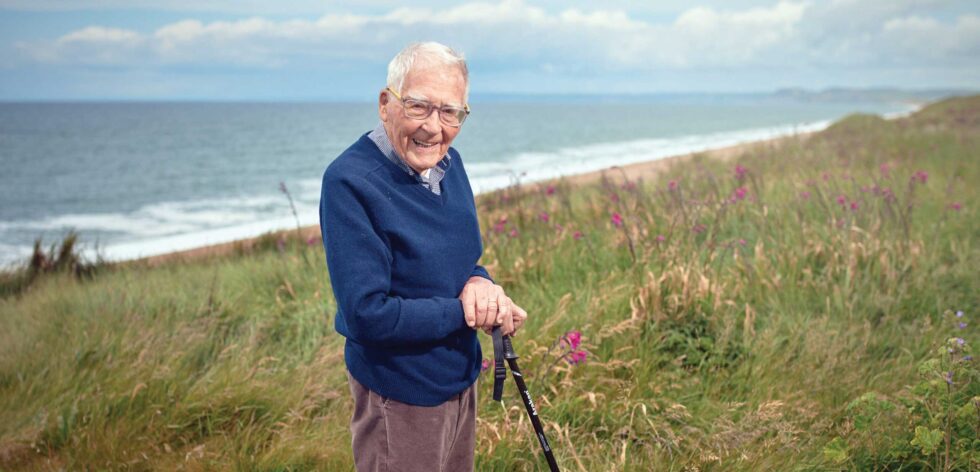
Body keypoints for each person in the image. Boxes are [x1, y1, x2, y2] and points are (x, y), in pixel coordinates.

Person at [319, 42, 528, 472]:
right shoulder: (350, 182)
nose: (434, 128)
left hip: (459, 379)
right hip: (400, 395)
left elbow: (463, 261)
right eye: (418, 106)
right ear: (385, 104)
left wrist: (480, 284)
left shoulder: (451, 166)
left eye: (450, 112)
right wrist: (467, 314)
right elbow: (366, 315)